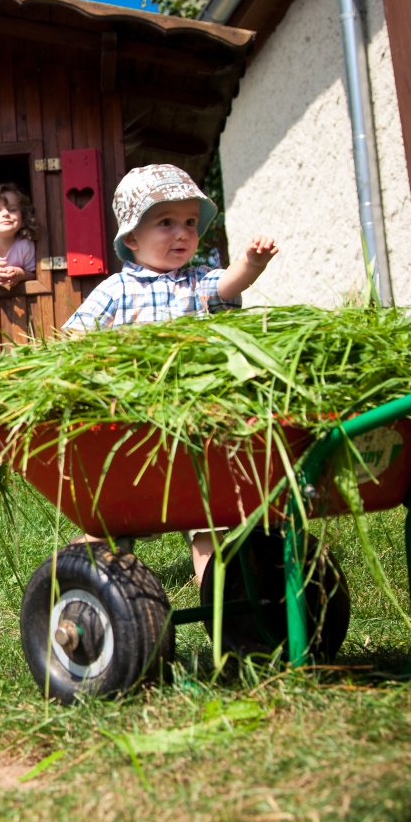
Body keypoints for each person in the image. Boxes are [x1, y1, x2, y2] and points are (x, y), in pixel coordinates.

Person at [63, 164, 279, 586]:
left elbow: (229, 286)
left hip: (192, 415)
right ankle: (90, 566)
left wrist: (251, 264)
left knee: (203, 508)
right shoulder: (117, 290)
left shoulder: (198, 282)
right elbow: (75, 335)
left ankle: (214, 582)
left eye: (190, 223)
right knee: (114, 507)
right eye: (166, 223)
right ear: (132, 239)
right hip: (130, 419)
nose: (182, 233)